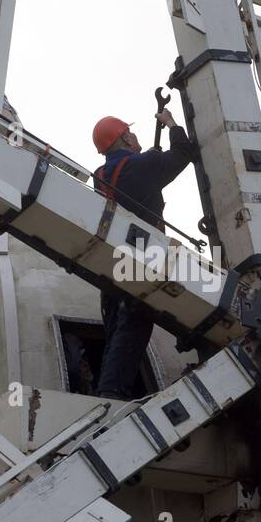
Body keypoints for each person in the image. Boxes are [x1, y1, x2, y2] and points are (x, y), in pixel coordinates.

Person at [90, 108, 196, 399]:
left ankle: (106, 391)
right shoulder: (143, 165)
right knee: (134, 326)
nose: (134, 135)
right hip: (139, 259)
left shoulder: (100, 175)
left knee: (116, 330)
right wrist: (171, 123)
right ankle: (112, 393)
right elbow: (183, 153)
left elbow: (132, 179)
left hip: (110, 262)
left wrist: (150, 159)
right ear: (125, 137)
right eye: (130, 132)